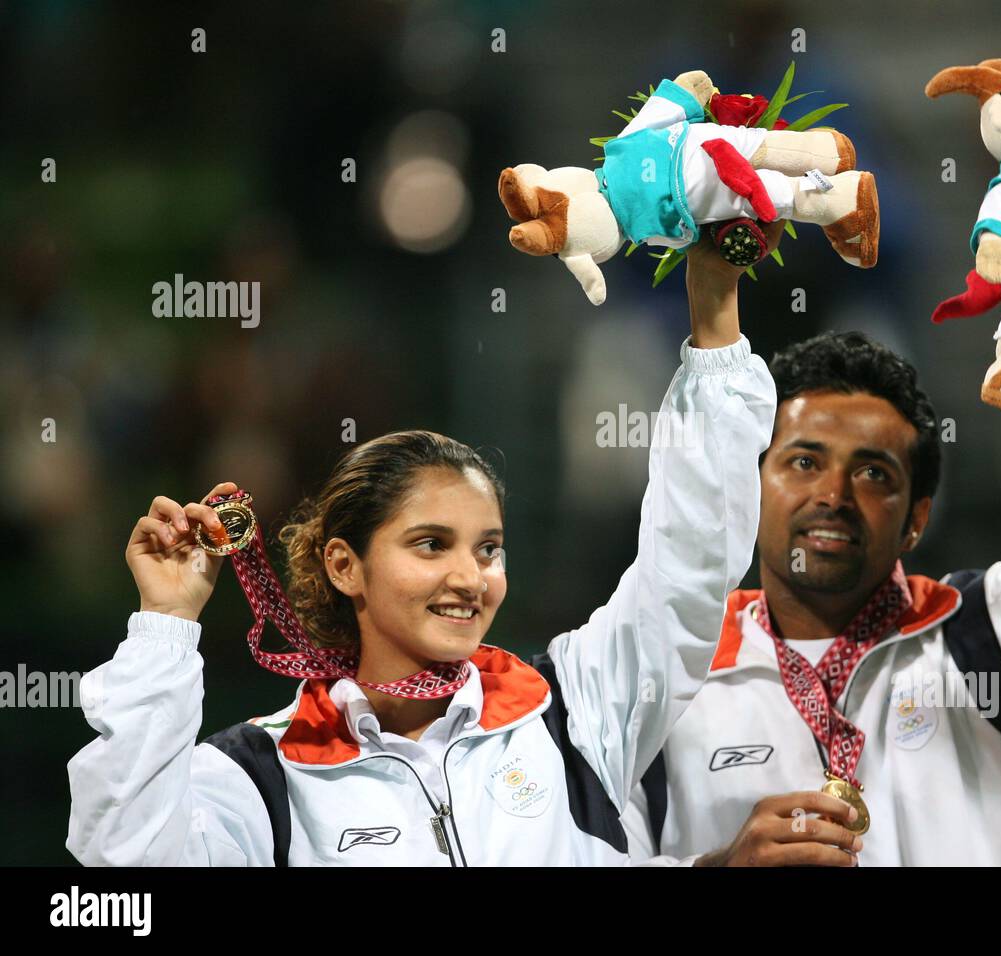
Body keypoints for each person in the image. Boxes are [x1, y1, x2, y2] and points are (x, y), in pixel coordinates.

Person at [65, 224, 781, 867]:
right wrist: (165, 624)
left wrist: (715, 314)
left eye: (489, 548)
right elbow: (128, 858)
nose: (471, 576)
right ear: (345, 565)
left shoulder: (573, 710)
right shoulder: (262, 775)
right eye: (432, 545)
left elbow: (692, 560)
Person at [622, 239, 1001, 866]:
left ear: (917, 520)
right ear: (750, 487)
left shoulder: (990, 633)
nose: (833, 495)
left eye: (874, 473)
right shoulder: (669, 676)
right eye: (804, 462)